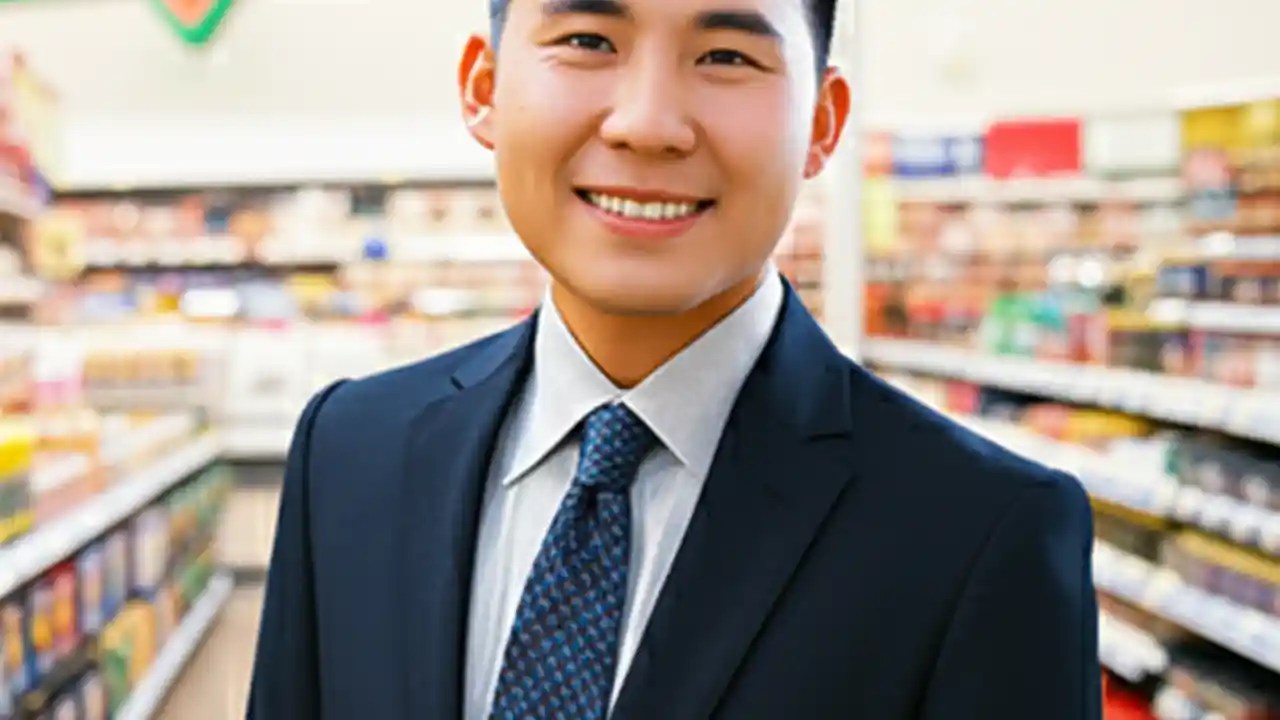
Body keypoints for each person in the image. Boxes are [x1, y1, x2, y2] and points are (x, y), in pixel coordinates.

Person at [246, 0, 1102, 717]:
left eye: (726, 54)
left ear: (823, 122)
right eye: (588, 41)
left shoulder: (981, 534)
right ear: (484, 88)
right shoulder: (350, 451)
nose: (648, 125)